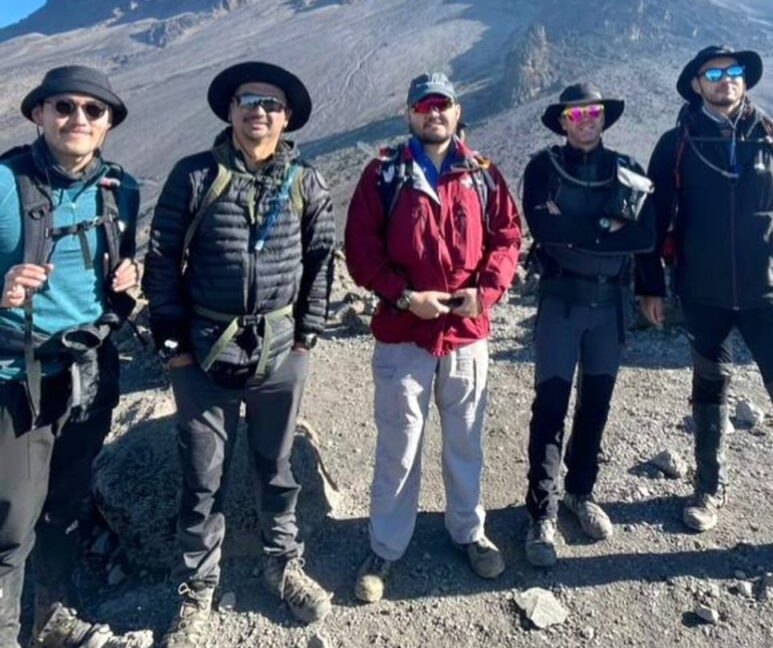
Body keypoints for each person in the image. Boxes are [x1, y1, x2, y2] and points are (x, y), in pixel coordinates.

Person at [143, 62, 335, 646]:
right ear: (230, 110)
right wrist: (173, 345)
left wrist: (306, 337)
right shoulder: (195, 175)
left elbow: (321, 260)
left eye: (271, 103)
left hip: (280, 352)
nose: (259, 110)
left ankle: (282, 564)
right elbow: (161, 257)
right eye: (248, 100)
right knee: (202, 475)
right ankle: (197, 587)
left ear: (287, 117)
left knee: (277, 466)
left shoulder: (306, 181)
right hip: (203, 352)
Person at [636, 45, 773, 584]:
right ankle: (707, 488)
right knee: (710, 385)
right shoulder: (677, 144)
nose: (726, 80)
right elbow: (654, 217)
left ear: (745, 80)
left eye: (734, 72)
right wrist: (650, 285)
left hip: (771, 294)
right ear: (697, 84)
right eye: (714, 73)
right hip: (703, 292)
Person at [345, 71, 521, 603]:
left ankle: (468, 532)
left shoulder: (482, 174)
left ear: (457, 112)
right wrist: (404, 297)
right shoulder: (383, 174)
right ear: (409, 114)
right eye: (424, 105)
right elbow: (361, 250)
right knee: (398, 445)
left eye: (443, 104)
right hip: (404, 332)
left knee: (466, 440)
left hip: (466, 333)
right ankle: (386, 547)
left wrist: (485, 294)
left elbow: (507, 237)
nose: (434, 113)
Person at [0, 65, 140, 648]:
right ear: (38, 113)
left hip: (89, 371)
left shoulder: (121, 188)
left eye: (93, 110)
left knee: (66, 504)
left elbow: (116, 268)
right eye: (64, 106)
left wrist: (129, 277)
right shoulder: (4, 184)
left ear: (108, 124)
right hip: (17, 377)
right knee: (11, 522)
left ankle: (51, 619)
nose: (78, 118)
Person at [521, 82, 654, 567]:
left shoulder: (628, 168)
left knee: (596, 405)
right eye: (575, 114)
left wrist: (649, 283)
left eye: (593, 111)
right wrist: (606, 226)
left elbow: (646, 234)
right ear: (562, 121)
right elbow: (545, 230)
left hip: (609, 307)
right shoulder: (543, 169)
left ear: (604, 117)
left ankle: (580, 492)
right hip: (561, 302)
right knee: (550, 407)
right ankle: (542, 510)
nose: (585, 120)